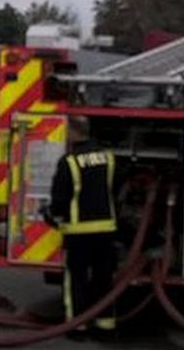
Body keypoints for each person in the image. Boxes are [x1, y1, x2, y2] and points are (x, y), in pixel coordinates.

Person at [46, 116, 119, 335]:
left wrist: (52, 215)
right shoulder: (109, 158)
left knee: (76, 279)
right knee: (103, 279)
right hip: (106, 230)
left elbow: (60, 198)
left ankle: (77, 325)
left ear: (74, 132)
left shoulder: (69, 161)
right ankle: (106, 326)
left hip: (79, 232)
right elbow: (115, 190)